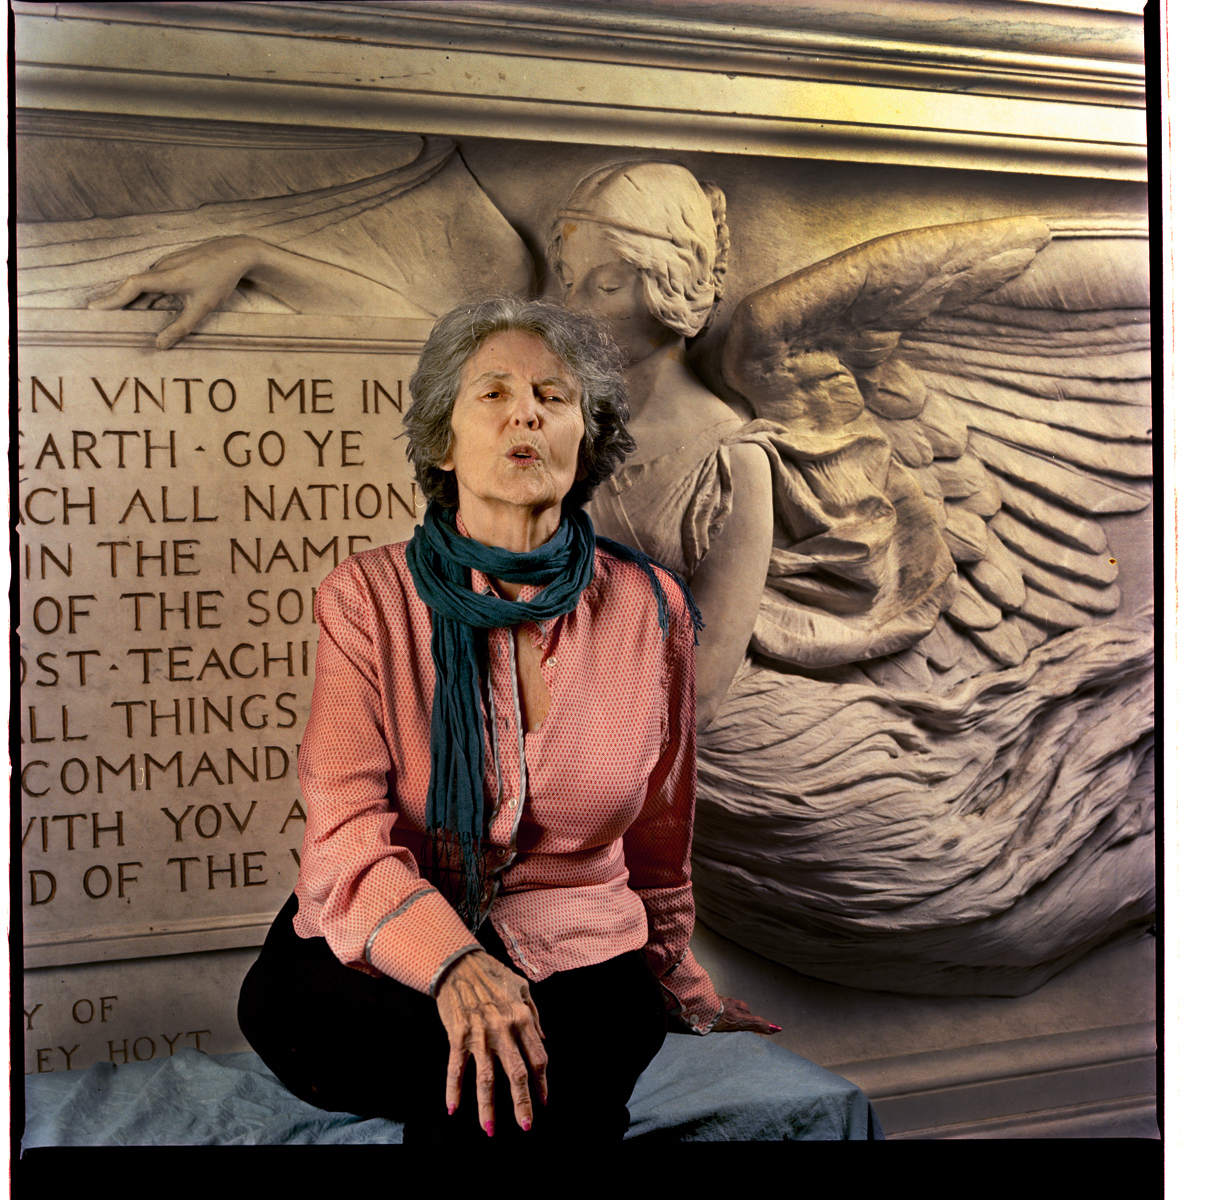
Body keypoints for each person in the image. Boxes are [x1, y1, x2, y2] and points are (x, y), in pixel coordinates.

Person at [237, 295, 778, 1148]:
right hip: (388, 934)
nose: (526, 410)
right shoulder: (367, 598)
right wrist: (453, 964)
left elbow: (660, 832)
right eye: (492, 392)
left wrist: (678, 978)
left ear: (584, 442)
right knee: (460, 1060)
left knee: (525, 1079)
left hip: (577, 942)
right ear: (442, 443)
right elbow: (343, 835)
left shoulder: (652, 611)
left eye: (553, 397)